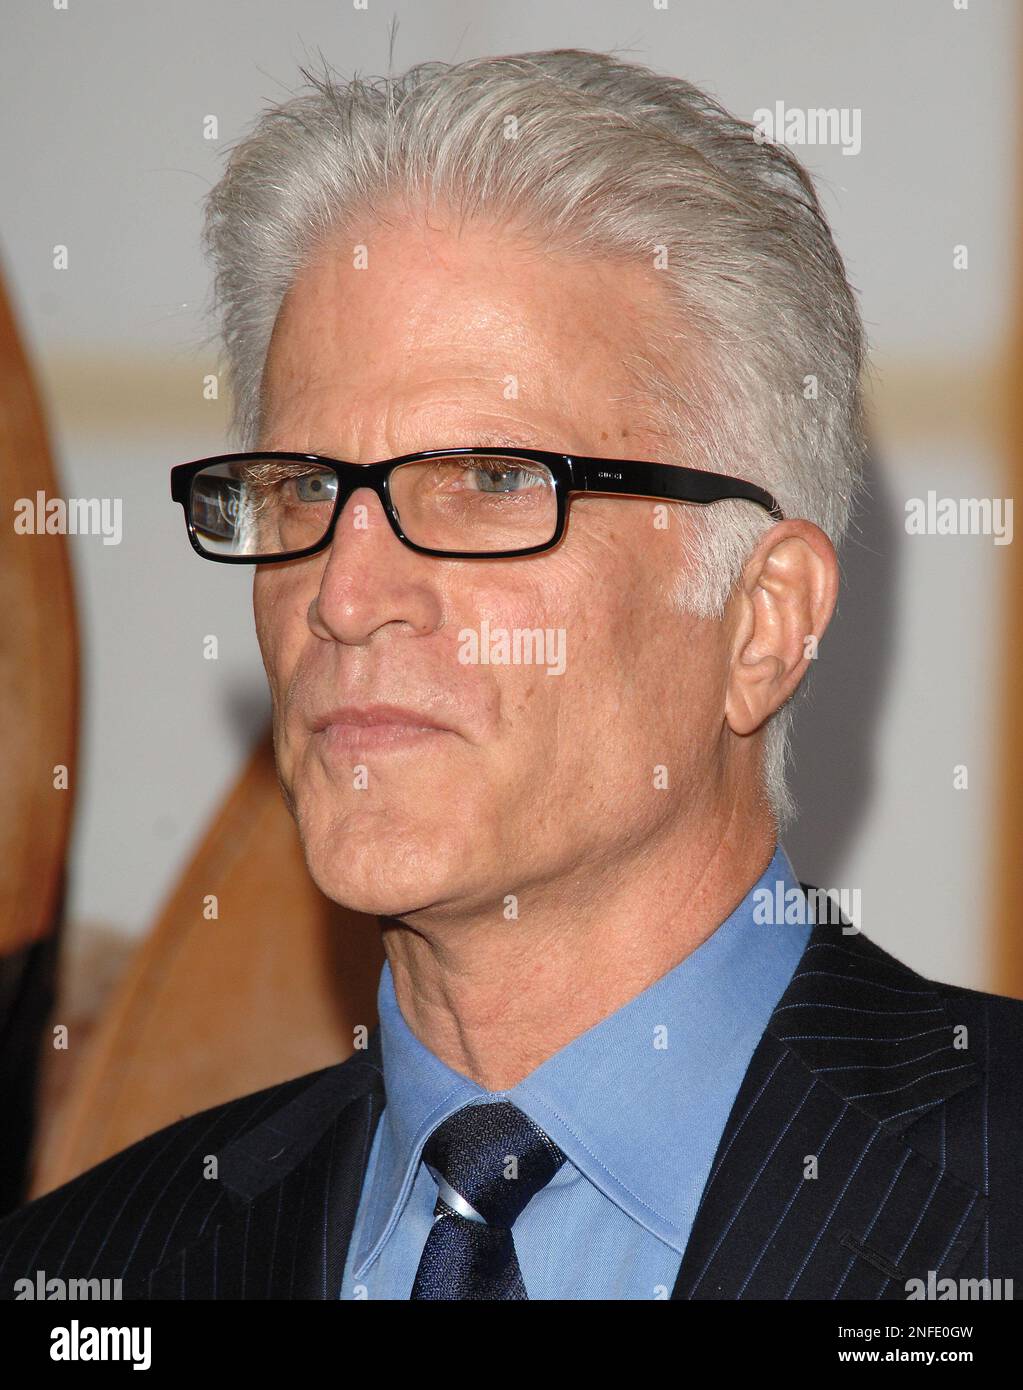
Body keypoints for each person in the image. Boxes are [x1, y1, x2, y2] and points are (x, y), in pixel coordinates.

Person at [2, 49, 1020, 1301]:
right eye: (305, 490)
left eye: (489, 483)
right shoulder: (84, 1274)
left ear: (762, 622)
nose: (343, 594)